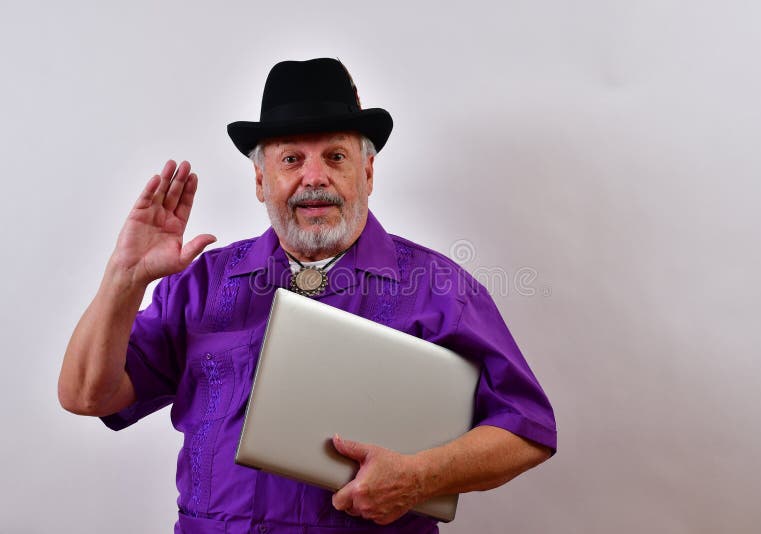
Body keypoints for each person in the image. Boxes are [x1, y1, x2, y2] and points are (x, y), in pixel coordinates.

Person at [58, 58, 557, 533]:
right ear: (260, 180)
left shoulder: (440, 288)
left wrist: (421, 477)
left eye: (335, 157)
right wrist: (124, 279)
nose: (314, 177)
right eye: (291, 158)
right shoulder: (201, 282)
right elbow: (85, 395)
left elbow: (528, 429)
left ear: (367, 173)